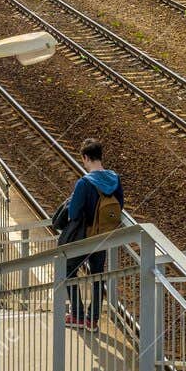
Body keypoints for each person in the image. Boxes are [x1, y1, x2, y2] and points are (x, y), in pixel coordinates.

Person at [51, 139, 123, 329]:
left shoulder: (84, 183)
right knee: (98, 275)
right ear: (100, 156)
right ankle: (93, 319)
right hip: (103, 237)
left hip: (84, 237)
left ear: (85, 158)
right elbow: (120, 206)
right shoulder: (115, 179)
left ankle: (78, 315)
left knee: (68, 271)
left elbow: (74, 213)